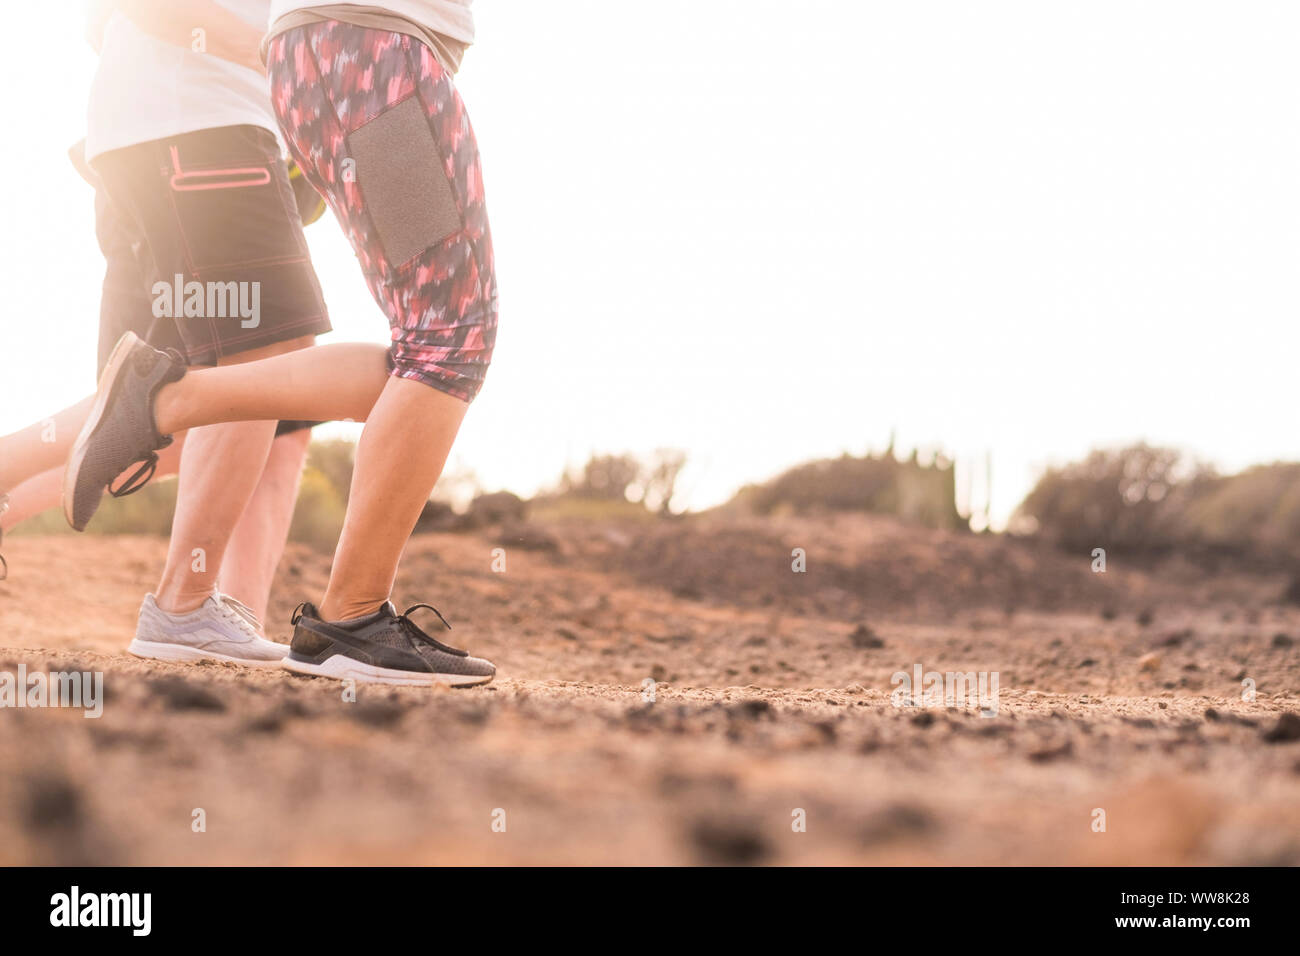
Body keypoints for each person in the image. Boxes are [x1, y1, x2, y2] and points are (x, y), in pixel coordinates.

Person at [61, 0, 500, 687]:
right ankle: (352, 617)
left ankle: (166, 400)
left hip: (326, 59)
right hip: (375, 58)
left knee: (432, 341)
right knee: (450, 336)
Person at [0, 0, 331, 665]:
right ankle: (189, 607)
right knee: (246, 375)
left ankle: (219, 612)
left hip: (200, 135)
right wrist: (274, 58)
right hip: (196, 134)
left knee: (269, 407)